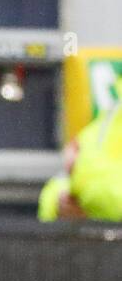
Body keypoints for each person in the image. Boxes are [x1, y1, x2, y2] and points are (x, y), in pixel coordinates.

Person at [39, 74, 122, 222]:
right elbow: (62, 182)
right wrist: (58, 203)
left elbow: (94, 182)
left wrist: (89, 209)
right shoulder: (113, 111)